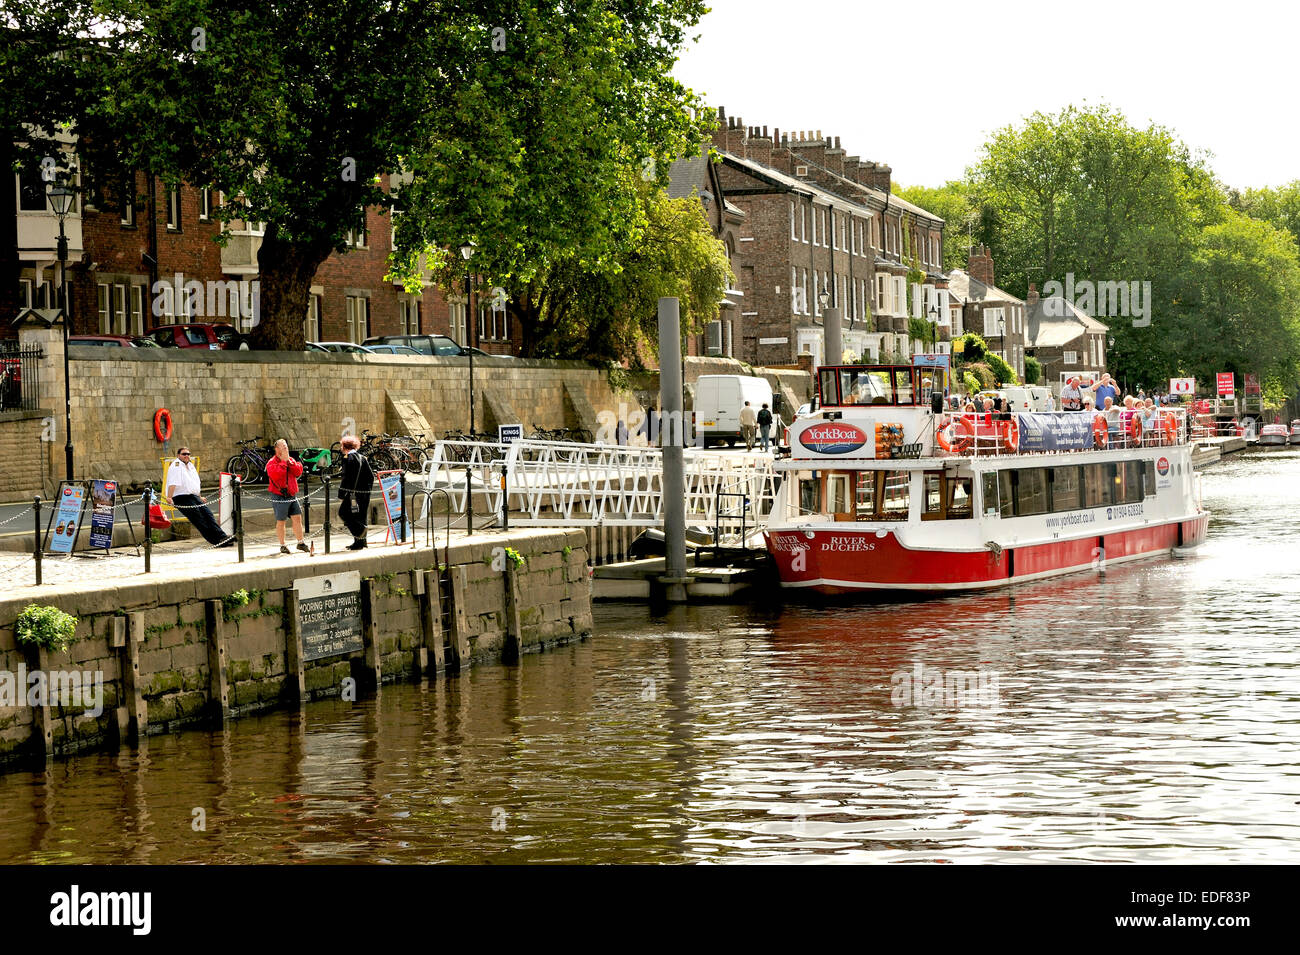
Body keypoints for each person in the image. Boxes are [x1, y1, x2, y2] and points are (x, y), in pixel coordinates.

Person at [165, 446, 234, 546]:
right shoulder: (176, 465)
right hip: (181, 497)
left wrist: (199, 496)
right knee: (199, 519)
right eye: (184, 454)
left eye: (188, 454)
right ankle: (216, 541)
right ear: (178, 455)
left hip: (193, 496)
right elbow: (173, 482)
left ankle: (222, 537)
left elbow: (195, 482)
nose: (186, 456)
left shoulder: (190, 465)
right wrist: (169, 497)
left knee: (208, 515)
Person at [265, 439, 308, 554]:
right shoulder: (271, 463)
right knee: (281, 521)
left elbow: (298, 472)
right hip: (279, 496)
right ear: (277, 449)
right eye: (283, 446)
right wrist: (283, 463)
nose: (286, 448)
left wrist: (289, 462)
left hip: (291, 495)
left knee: (297, 518)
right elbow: (276, 475)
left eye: (286, 446)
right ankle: (282, 544)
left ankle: (300, 542)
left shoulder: (290, 460)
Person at [338, 434, 374, 550]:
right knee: (361, 516)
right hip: (364, 493)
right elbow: (371, 477)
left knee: (344, 513)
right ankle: (361, 542)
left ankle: (361, 531)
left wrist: (342, 494)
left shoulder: (348, 458)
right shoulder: (362, 458)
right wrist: (366, 491)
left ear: (344, 446)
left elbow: (346, 479)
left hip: (352, 494)